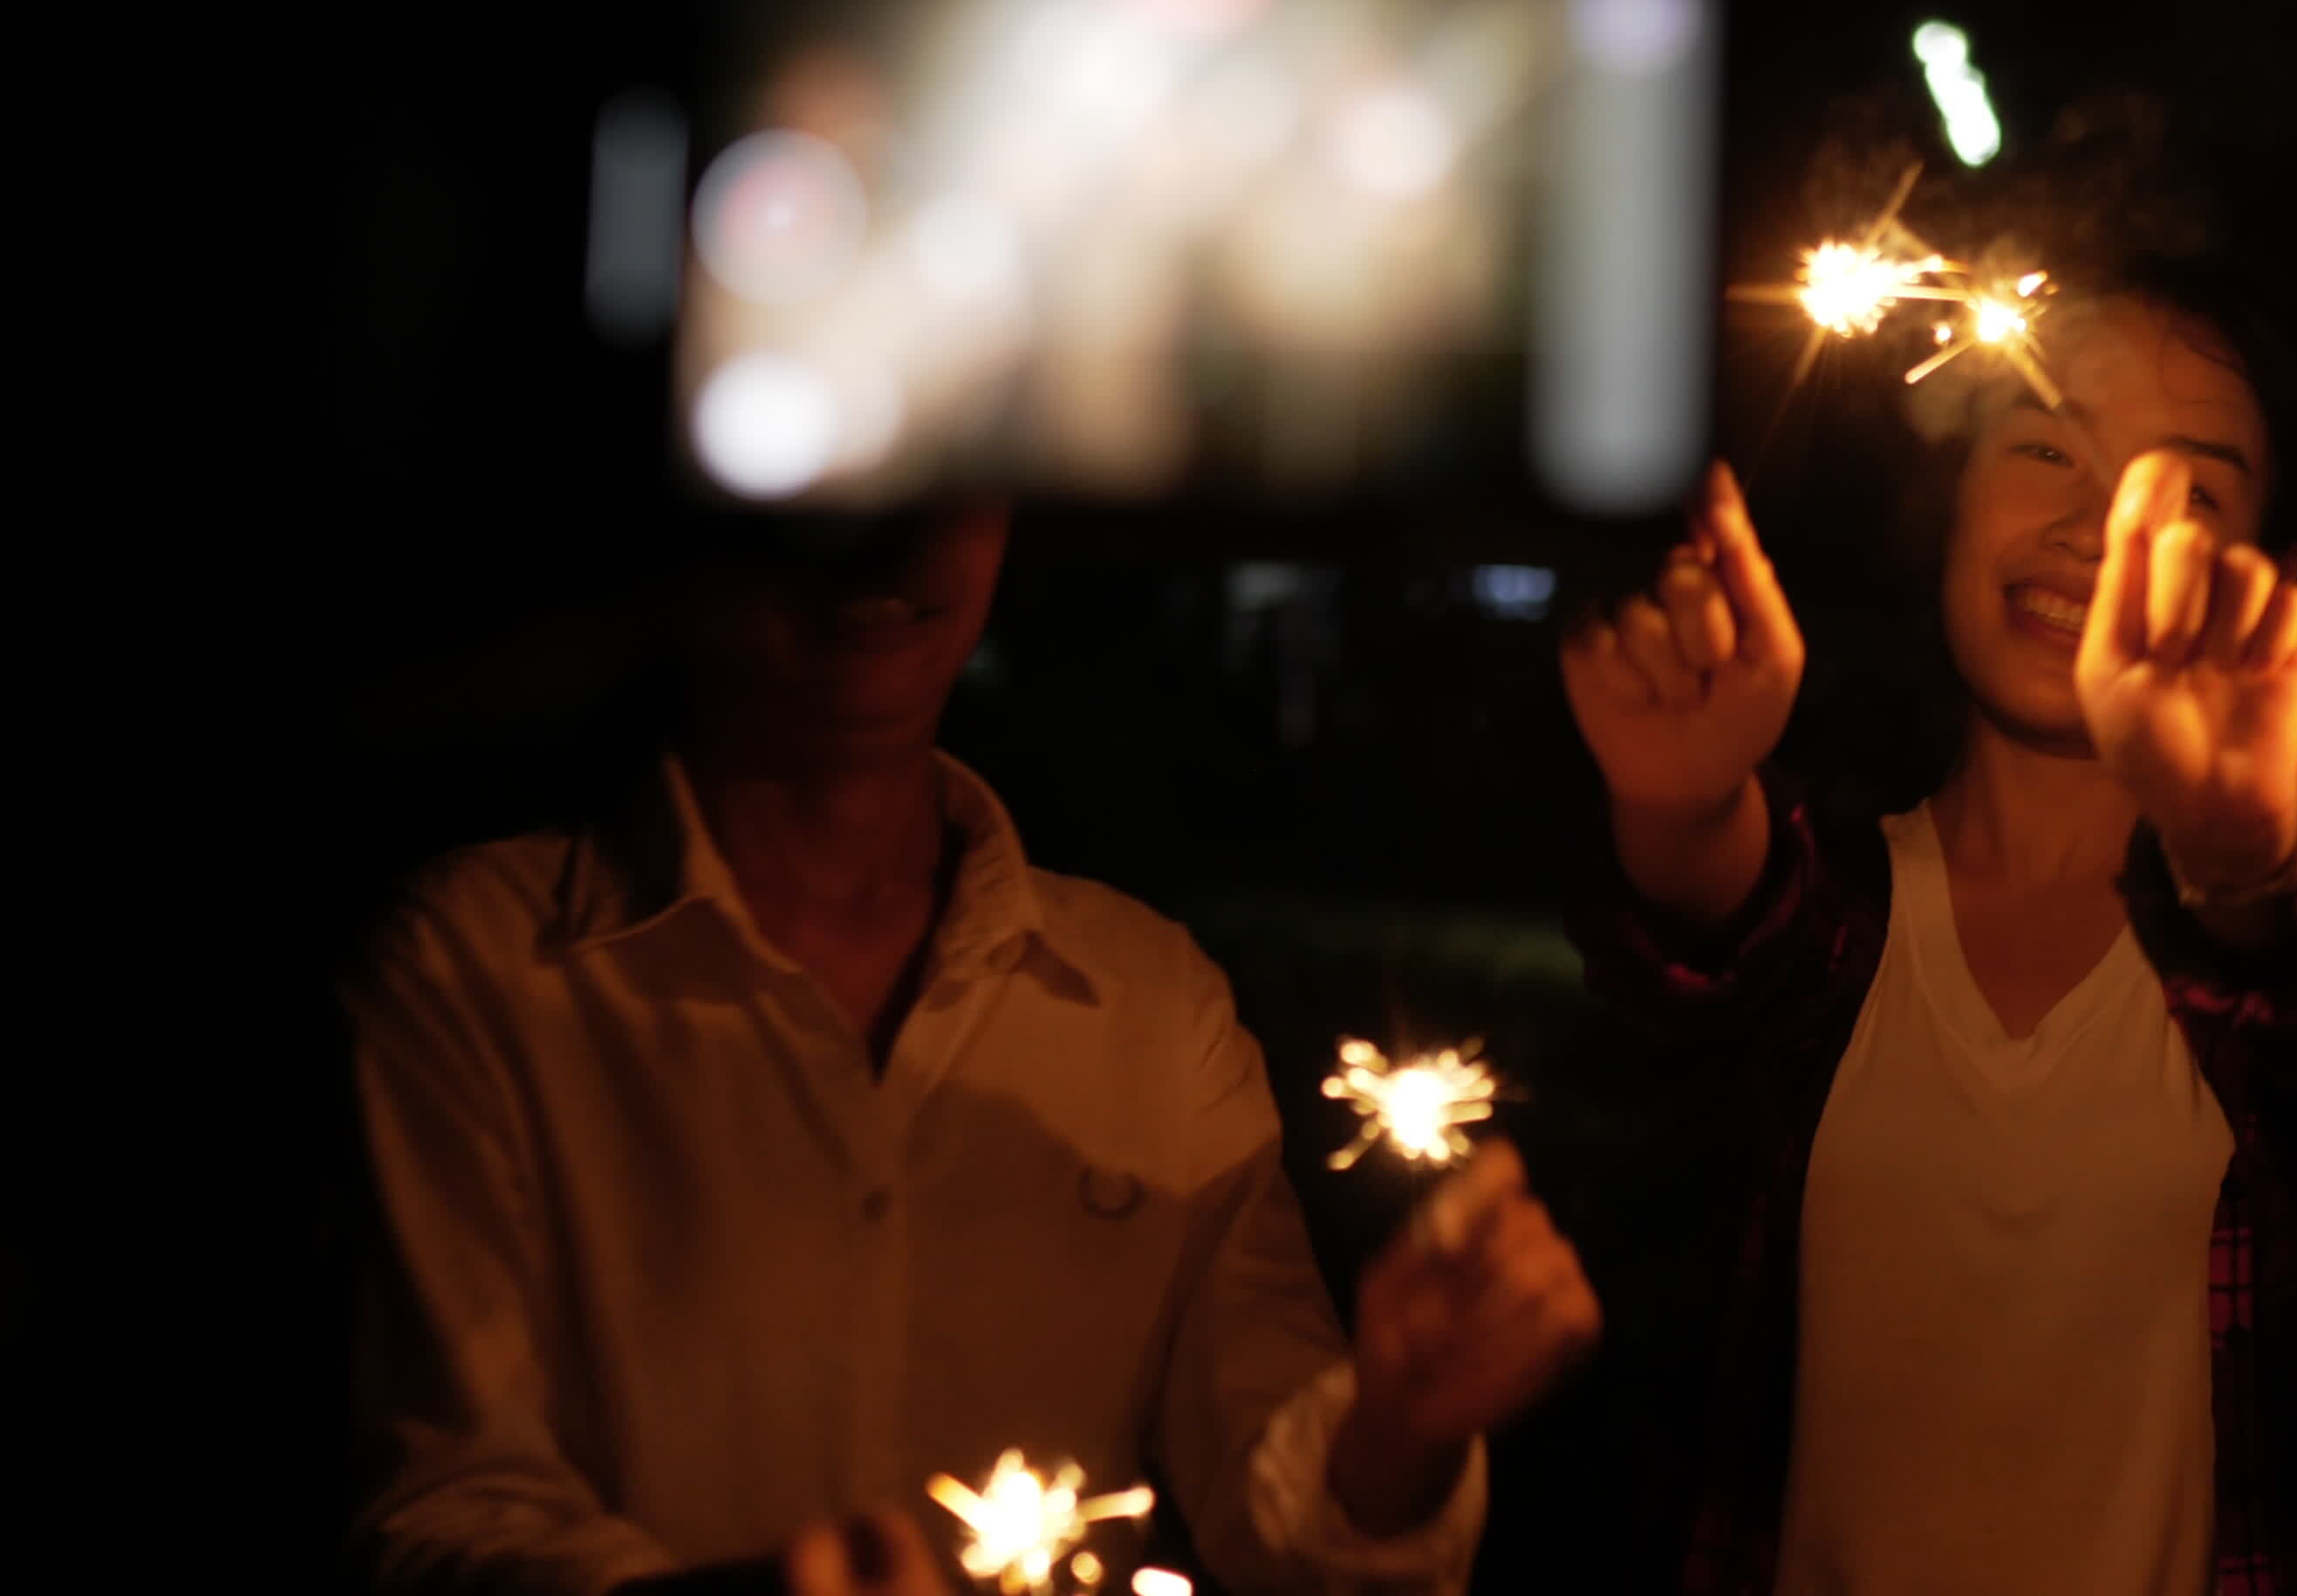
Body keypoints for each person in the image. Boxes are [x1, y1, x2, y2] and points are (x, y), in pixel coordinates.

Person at [345, 497, 1602, 1595]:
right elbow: (439, 1505)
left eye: (948, 465)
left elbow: (1284, 1503)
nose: (889, 537)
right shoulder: (481, 979)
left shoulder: (1150, 1010)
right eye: (829, 478)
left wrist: (1400, 1427)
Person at [1562, 262, 2297, 1593]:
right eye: (2047, 446)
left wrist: (2236, 847)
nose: (2101, 524)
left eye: (2192, 493)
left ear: (2277, 581)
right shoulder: (1843, 923)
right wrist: (1681, 807)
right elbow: (1723, 940)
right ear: (1951, 496)